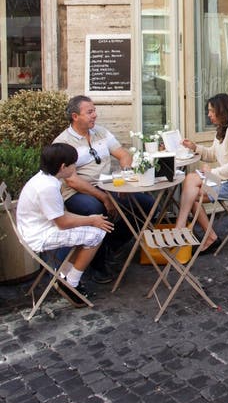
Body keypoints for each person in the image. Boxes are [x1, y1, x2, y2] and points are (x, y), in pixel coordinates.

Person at [53, 95, 153, 282]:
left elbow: (123, 154)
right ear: (75, 116)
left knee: (147, 204)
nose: (95, 115)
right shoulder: (63, 142)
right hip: (77, 192)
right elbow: (72, 181)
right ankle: (98, 266)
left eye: (94, 110)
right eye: (89, 112)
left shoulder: (101, 132)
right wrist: (104, 198)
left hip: (106, 185)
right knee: (96, 210)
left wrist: (125, 175)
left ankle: (110, 245)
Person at [16, 144, 113, 307]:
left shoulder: (44, 178)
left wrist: (90, 218)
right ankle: (71, 284)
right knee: (97, 234)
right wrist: (92, 220)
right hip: (39, 234)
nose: (75, 167)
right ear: (63, 167)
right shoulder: (48, 187)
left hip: (40, 226)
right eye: (73, 164)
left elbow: (60, 214)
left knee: (92, 229)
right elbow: (62, 222)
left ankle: (65, 276)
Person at [174, 93, 228, 254]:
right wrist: (194, 147)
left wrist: (210, 173)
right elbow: (213, 154)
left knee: (190, 187)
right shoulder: (223, 128)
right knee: (191, 191)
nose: (209, 115)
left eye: (211, 111)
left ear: (222, 110)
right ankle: (205, 235)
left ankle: (183, 228)